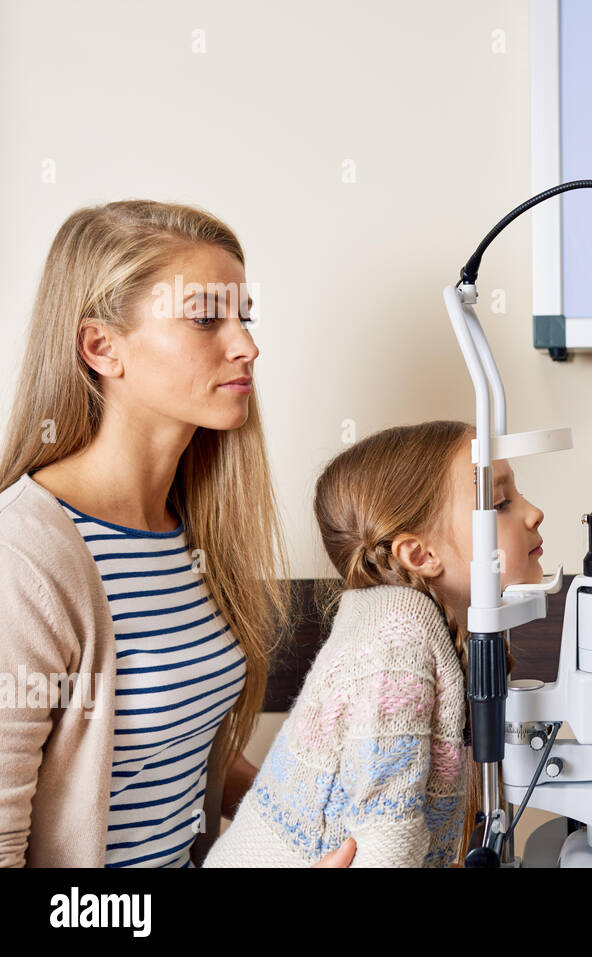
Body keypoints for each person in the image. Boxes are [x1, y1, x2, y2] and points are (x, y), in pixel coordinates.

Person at [0, 200, 352, 867]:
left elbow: (171, 754)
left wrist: (312, 818)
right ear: (102, 347)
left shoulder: (188, 534)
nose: (247, 344)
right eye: (206, 318)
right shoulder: (22, 561)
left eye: (244, 315)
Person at [204, 421, 545, 866]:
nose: (534, 512)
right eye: (500, 503)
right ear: (420, 556)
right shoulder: (396, 636)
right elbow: (387, 827)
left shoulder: (422, 626)